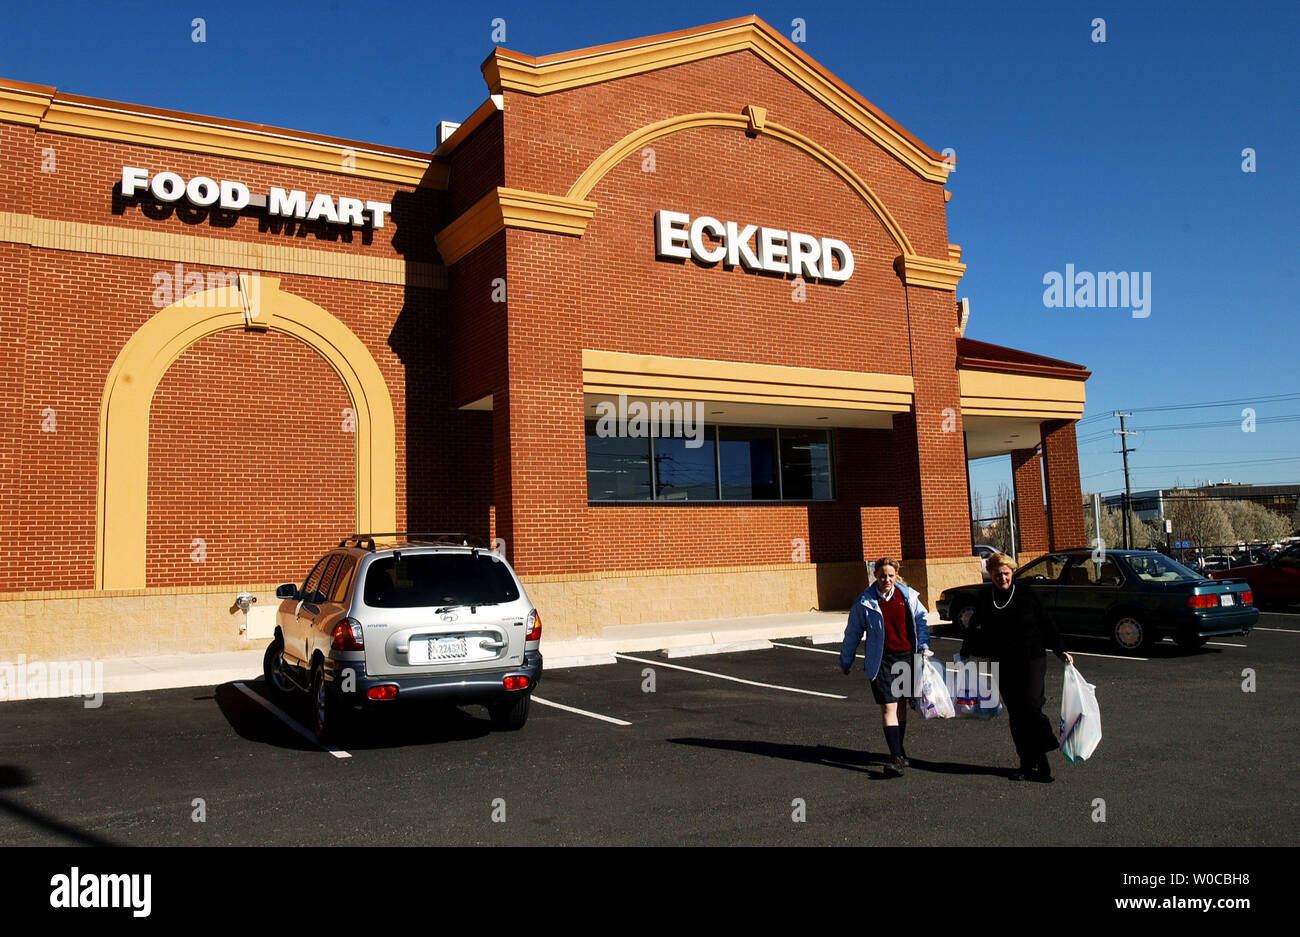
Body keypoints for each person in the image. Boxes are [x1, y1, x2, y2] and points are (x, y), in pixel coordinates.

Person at [959, 552, 1073, 782]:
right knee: (1016, 713)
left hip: (1031, 658)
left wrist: (1060, 650)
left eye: (1006, 573)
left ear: (1012, 572)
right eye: (997, 574)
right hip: (1002, 660)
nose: (1002, 578)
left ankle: (1043, 754)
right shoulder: (986, 597)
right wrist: (966, 650)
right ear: (990, 574)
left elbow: (1046, 622)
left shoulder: (1026, 593)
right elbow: (974, 625)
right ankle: (1027, 762)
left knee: (1032, 706)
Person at [840, 557, 931, 777]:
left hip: (906, 658)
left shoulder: (907, 596)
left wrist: (924, 644)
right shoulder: (865, 601)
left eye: (890, 575)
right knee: (888, 707)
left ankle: (899, 750)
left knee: (900, 706)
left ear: (896, 575)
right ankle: (896, 756)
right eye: (882, 575)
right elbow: (853, 632)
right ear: (875, 576)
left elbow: (921, 620)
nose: (886, 579)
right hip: (881, 660)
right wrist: (846, 659)